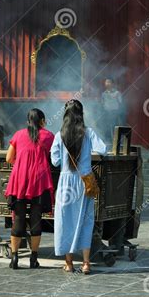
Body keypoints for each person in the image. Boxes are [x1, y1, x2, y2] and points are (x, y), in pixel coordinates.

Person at [51, 99, 106, 274]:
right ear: (81, 114)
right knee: (85, 222)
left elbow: (55, 160)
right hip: (84, 182)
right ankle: (86, 263)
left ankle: (69, 263)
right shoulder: (88, 133)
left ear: (65, 114)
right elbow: (103, 149)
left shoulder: (59, 135)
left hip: (66, 183)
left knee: (65, 221)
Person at [4, 109, 55, 269]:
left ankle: (14, 258)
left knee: (18, 218)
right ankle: (34, 258)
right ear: (42, 121)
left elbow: (8, 158)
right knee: (36, 219)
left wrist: (21, 165)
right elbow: (55, 158)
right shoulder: (48, 136)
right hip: (39, 180)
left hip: (19, 180)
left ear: (28, 121)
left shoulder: (18, 135)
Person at [101, 78, 125, 145]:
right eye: (106, 82)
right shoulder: (103, 94)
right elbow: (102, 103)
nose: (107, 83)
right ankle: (108, 143)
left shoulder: (117, 93)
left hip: (115, 113)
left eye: (109, 82)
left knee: (115, 128)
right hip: (106, 112)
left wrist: (118, 113)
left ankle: (117, 143)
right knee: (107, 128)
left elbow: (120, 103)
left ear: (112, 84)